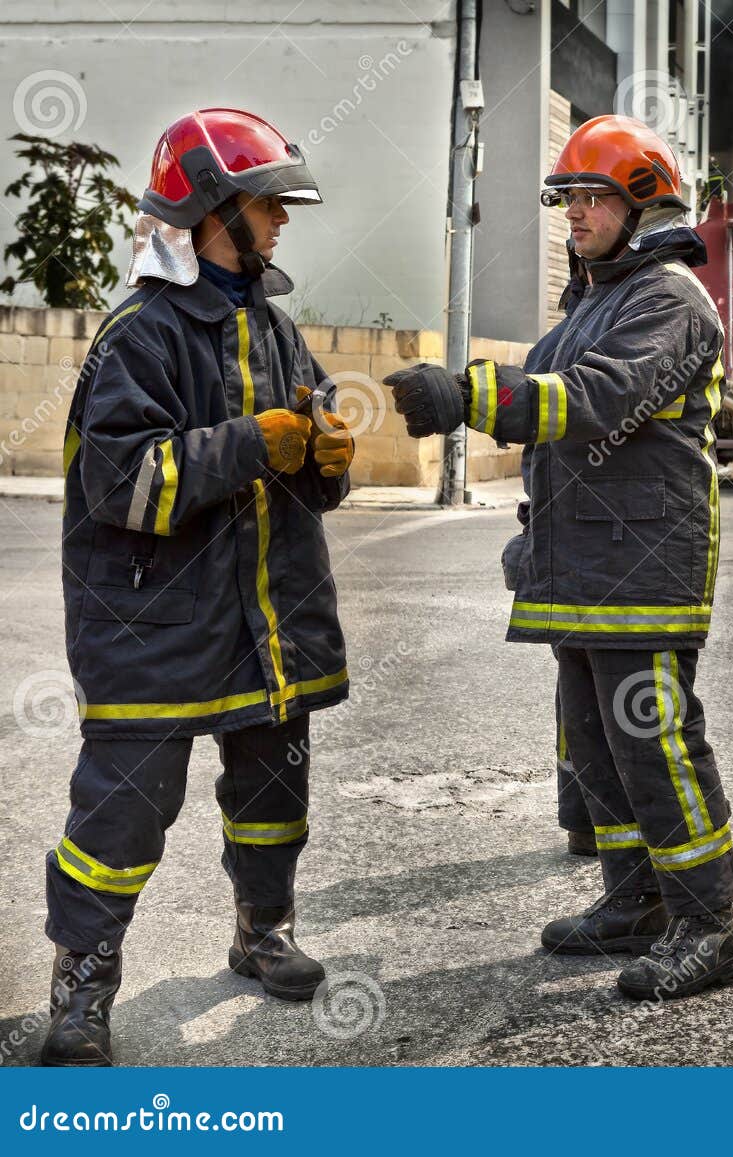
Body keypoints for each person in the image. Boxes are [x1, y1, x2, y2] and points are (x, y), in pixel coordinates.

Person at [384, 115, 733, 1001]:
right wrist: (532, 534)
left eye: (593, 197)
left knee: (653, 741)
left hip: (644, 565)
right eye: (568, 198)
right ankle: (636, 900)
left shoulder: (669, 300)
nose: (575, 213)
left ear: (644, 206)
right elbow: (567, 432)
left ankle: (710, 923)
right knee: (595, 740)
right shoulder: (595, 299)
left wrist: (466, 394)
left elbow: (595, 398)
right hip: (585, 560)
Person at [41, 109, 354, 1066]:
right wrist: (255, 443)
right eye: (269, 204)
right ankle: (82, 987)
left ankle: (263, 930)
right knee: (121, 814)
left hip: (268, 624)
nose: (283, 222)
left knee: (273, 791)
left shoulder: (275, 327)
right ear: (213, 210)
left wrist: (326, 460)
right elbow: (127, 485)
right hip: (153, 626)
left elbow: (307, 480)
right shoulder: (138, 335)